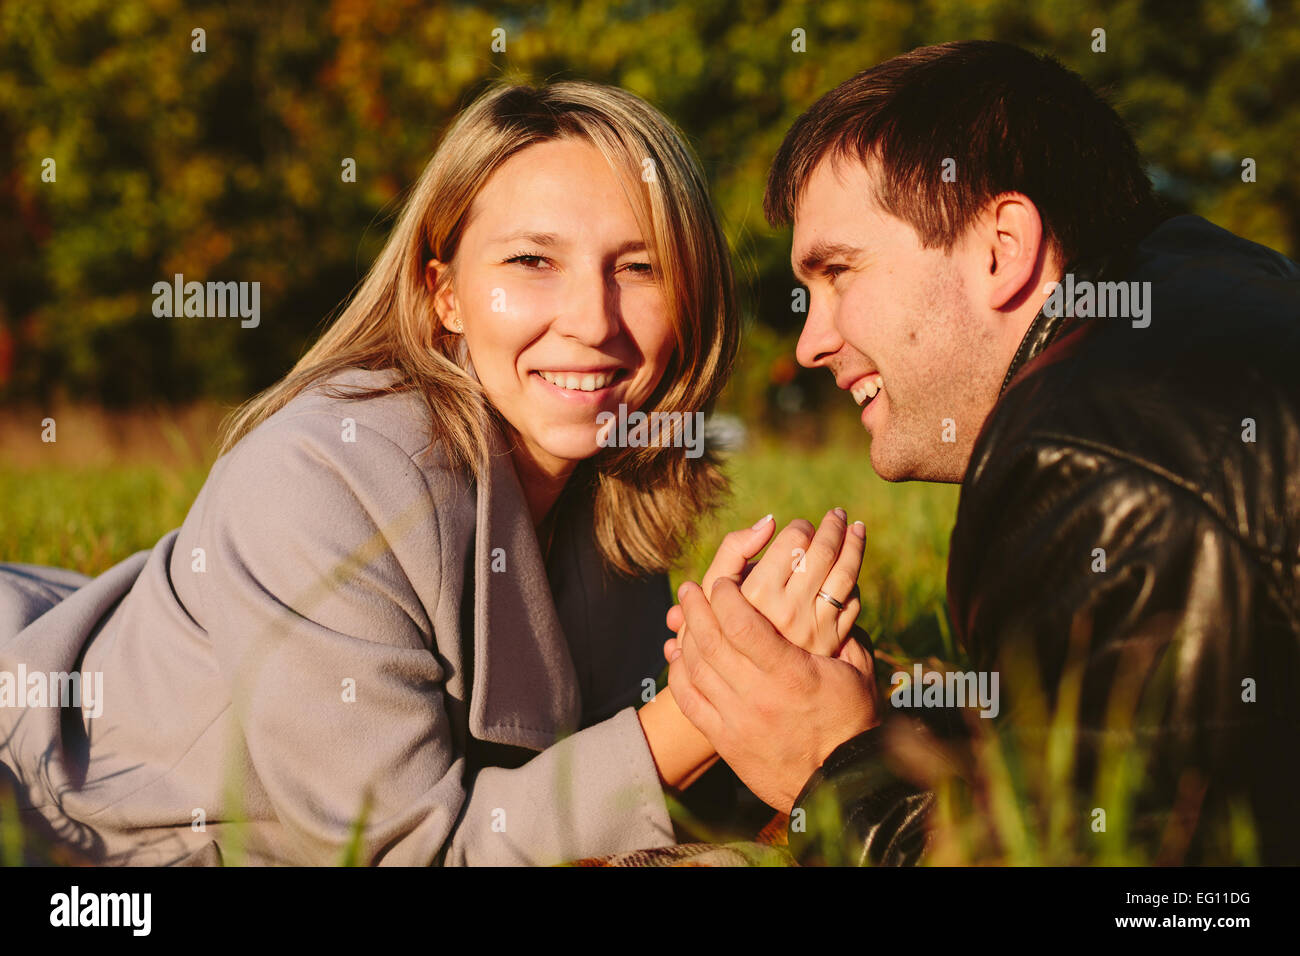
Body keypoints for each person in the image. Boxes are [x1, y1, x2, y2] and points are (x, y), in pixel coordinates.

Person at [0, 79, 863, 866]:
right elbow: (406, 854)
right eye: (532, 262)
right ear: (444, 293)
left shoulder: (612, 477)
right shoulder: (316, 479)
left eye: (639, 268)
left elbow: (611, 799)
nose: (592, 320)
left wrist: (778, 678)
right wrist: (708, 703)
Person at [665, 40, 1300, 865]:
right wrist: (884, 716)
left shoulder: (1083, 459)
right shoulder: (1210, 288)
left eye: (839, 272)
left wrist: (828, 767)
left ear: (1002, 247)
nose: (812, 343)